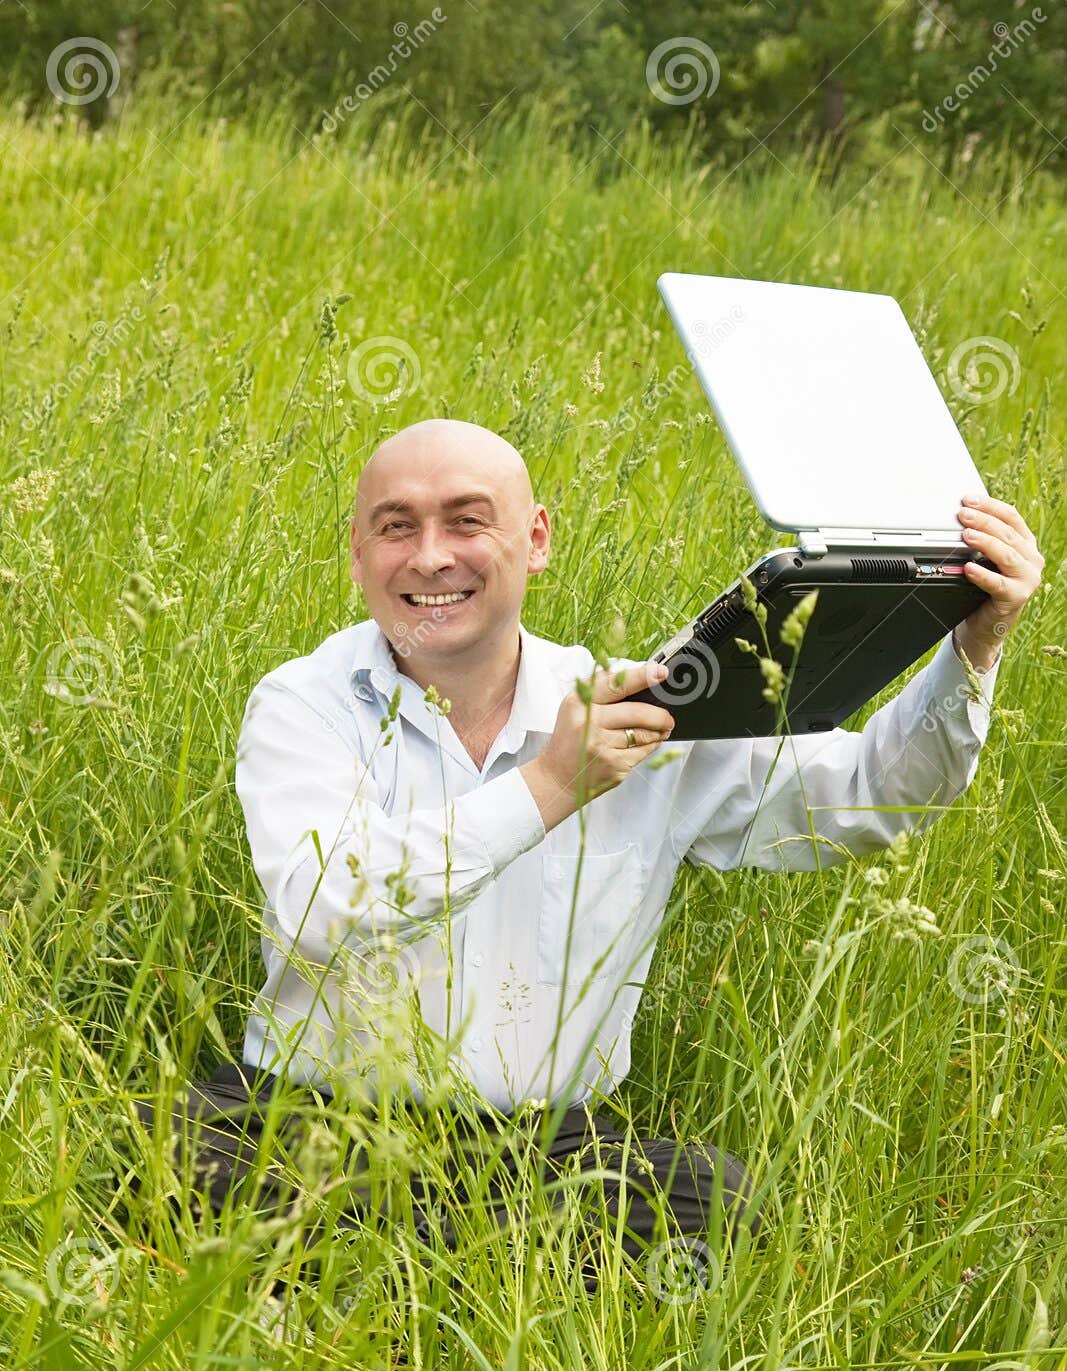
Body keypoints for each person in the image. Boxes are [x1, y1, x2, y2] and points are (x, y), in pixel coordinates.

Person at [135, 418, 1044, 1282]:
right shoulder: (305, 703)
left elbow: (867, 797)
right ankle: (434, 1275)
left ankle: (397, 1273)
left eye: (466, 521)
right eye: (395, 527)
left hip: (539, 1148)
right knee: (165, 1156)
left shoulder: (637, 708)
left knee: (715, 1202)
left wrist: (972, 643)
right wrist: (554, 783)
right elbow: (324, 905)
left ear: (534, 539)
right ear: (358, 551)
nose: (430, 556)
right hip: (307, 1121)